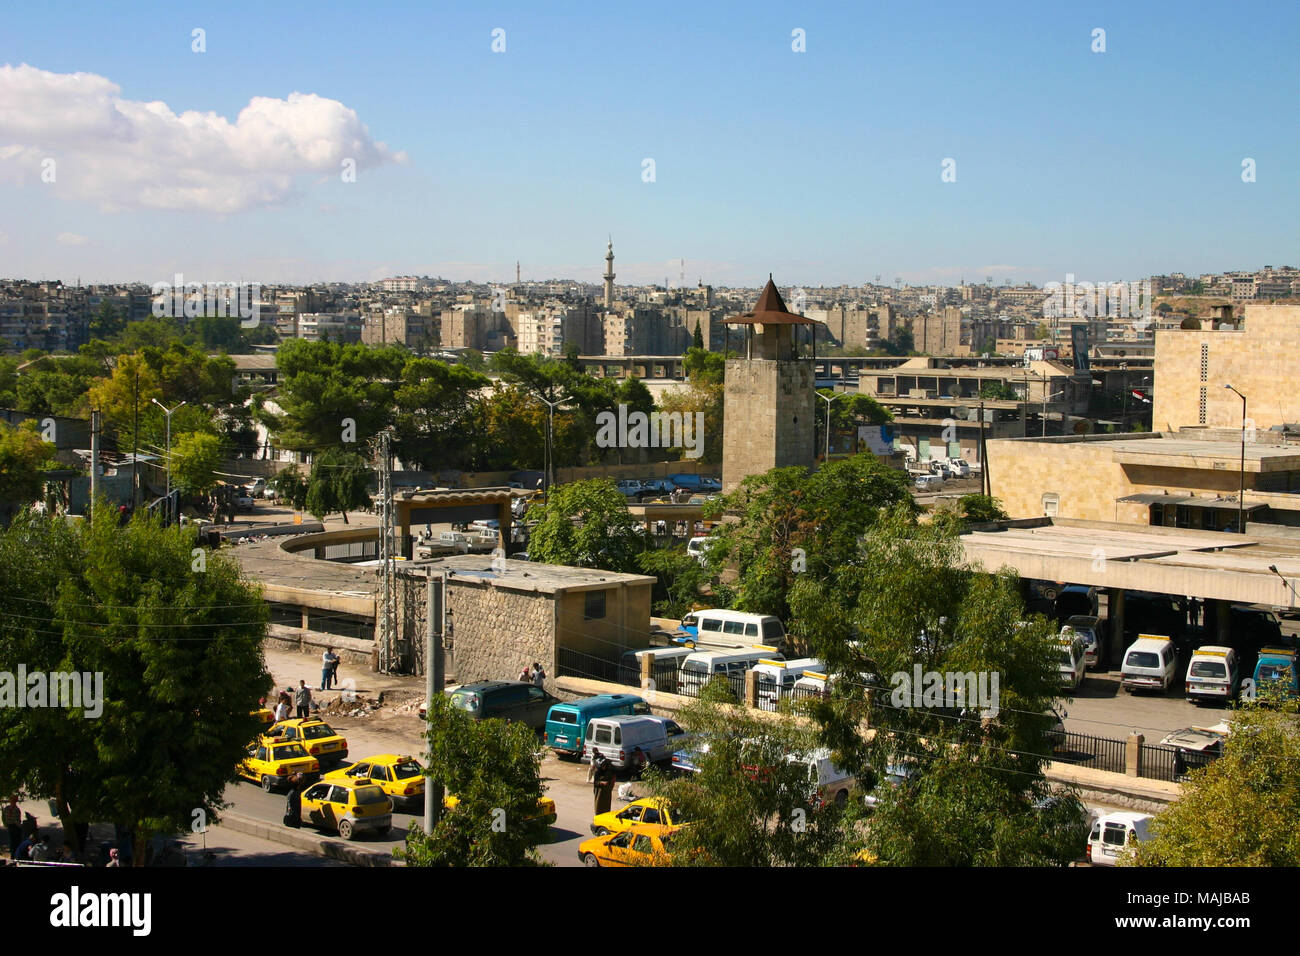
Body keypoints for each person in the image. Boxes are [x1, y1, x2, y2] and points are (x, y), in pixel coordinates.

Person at [3, 794, 20, 859]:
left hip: (10, 826)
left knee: (12, 842)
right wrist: (20, 826)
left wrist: (6, 824)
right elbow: (17, 820)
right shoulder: (16, 809)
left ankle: (13, 856)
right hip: (15, 826)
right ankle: (15, 856)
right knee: (16, 842)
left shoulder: (6, 808)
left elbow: (3, 817)